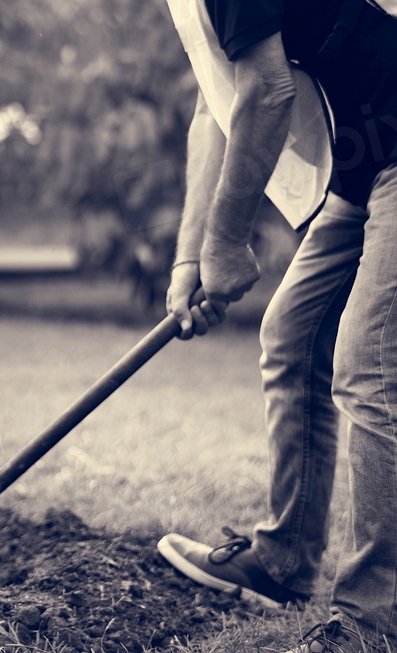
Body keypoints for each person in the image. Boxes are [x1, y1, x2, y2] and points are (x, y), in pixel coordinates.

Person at [154, 1, 397, 650]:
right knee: (292, 337)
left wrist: (227, 242)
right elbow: (218, 104)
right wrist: (191, 256)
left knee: (369, 368)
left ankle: (373, 618)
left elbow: (268, 91)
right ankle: (283, 562)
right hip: (368, 160)